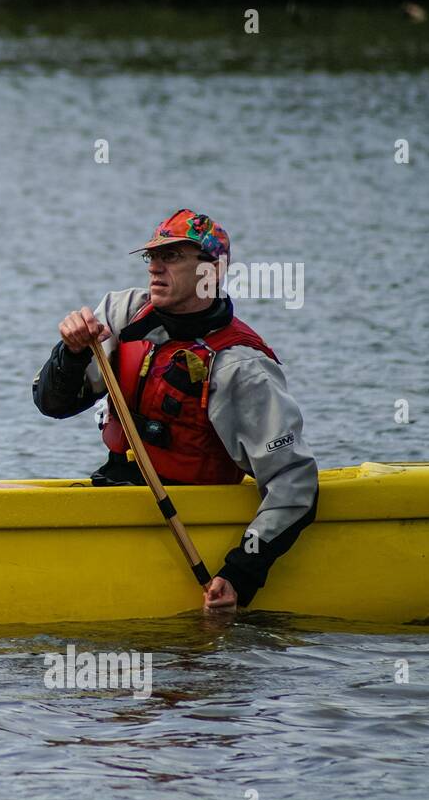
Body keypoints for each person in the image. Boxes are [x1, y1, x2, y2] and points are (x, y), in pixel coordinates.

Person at [32, 209, 317, 614]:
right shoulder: (122, 312)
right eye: (151, 258)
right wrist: (72, 352)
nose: (155, 269)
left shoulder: (242, 368)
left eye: (173, 257)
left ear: (212, 272)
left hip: (189, 516)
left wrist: (240, 574)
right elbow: (52, 404)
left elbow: (295, 482)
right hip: (117, 495)